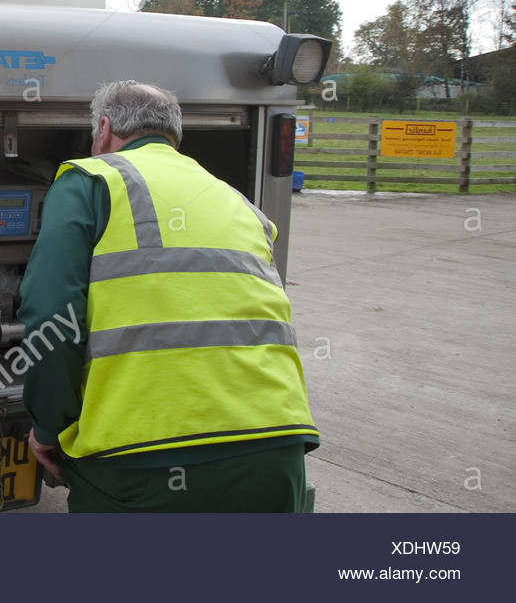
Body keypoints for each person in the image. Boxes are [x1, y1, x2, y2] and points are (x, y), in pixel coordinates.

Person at [18, 80, 319, 512]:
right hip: (277, 451)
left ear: (102, 130)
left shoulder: (91, 180)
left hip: (144, 458)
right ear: (174, 136)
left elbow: (51, 315)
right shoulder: (239, 202)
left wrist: (49, 426)